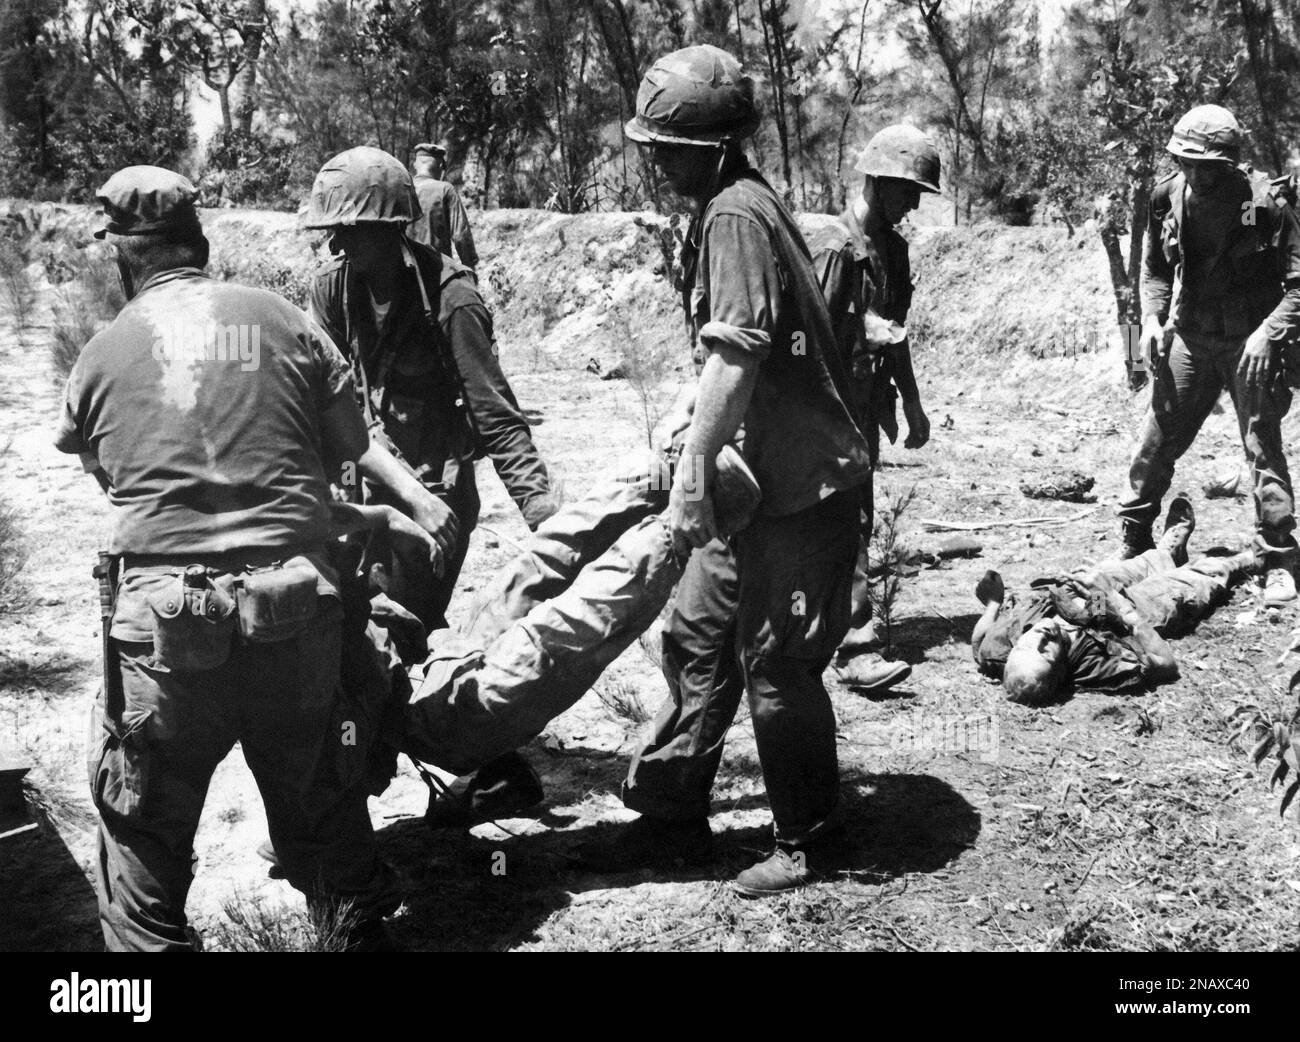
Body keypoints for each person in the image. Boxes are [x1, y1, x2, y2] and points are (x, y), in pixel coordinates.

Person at [55, 166, 449, 951]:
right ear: (199, 241)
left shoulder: (101, 355)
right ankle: (352, 929)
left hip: (163, 633)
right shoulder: (283, 321)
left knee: (143, 828)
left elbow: (111, 480)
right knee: (323, 798)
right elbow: (343, 451)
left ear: (123, 259)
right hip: (293, 616)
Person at [572, 45, 872, 894]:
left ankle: (809, 837)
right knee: (698, 638)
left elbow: (738, 353)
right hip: (755, 478)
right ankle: (669, 817)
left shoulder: (736, 214)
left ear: (708, 146)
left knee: (777, 664)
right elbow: (725, 360)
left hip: (802, 489)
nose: (653, 159)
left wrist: (692, 470)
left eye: (664, 145)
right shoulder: (729, 205)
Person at [306, 147, 559, 822]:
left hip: (433, 505)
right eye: (331, 230)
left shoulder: (452, 299)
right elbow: (328, 407)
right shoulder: (332, 292)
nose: (336, 243)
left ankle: (342, 803)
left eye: (350, 229)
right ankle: (497, 763)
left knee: (379, 642)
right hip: (359, 501)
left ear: (393, 228)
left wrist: (550, 520)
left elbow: (499, 420)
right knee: (390, 635)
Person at [1120, 103, 1300, 605]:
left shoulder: (1265, 202)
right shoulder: (1165, 196)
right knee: (1155, 440)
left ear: (1230, 163)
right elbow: (1154, 270)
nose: (1195, 174)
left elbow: (1299, 286)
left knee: (1262, 447)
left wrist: (1269, 334)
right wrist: (1152, 321)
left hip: (1251, 341)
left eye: (1207, 165)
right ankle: (1134, 539)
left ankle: (1278, 556)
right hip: (1192, 335)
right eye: (1185, 161)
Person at [805, 124, 939, 694]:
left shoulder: (894, 251)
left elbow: (898, 332)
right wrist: (859, 331)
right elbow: (807, 338)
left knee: (851, 518)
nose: (913, 203)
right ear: (877, 181)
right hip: (827, 406)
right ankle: (851, 642)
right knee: (831, 519)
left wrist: (911, 401)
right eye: (908, 190)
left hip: (864, 403)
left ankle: (829, 631)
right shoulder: (835, 246)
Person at [973, 496, 1254, 705]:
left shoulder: (996, 653)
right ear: (1060, 669)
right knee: (1195, 582)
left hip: (1082, 596)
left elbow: (979, 641)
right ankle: (1253, 559)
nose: (1041, 638)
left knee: (1137, 566)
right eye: (1046, 652)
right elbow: (1166, 664)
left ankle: (1168, 555)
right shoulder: (1093, 668)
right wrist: (1117, 605)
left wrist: (994, 603)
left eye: (1026, 649)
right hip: (1126, 613)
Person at [406, 142, 479, 270]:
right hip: (438, 273)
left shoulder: (403, 189)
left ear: (415, 165)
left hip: (406, 272)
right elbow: (460, 236)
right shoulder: (445, 189)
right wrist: (470, 267)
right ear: (441, 166)